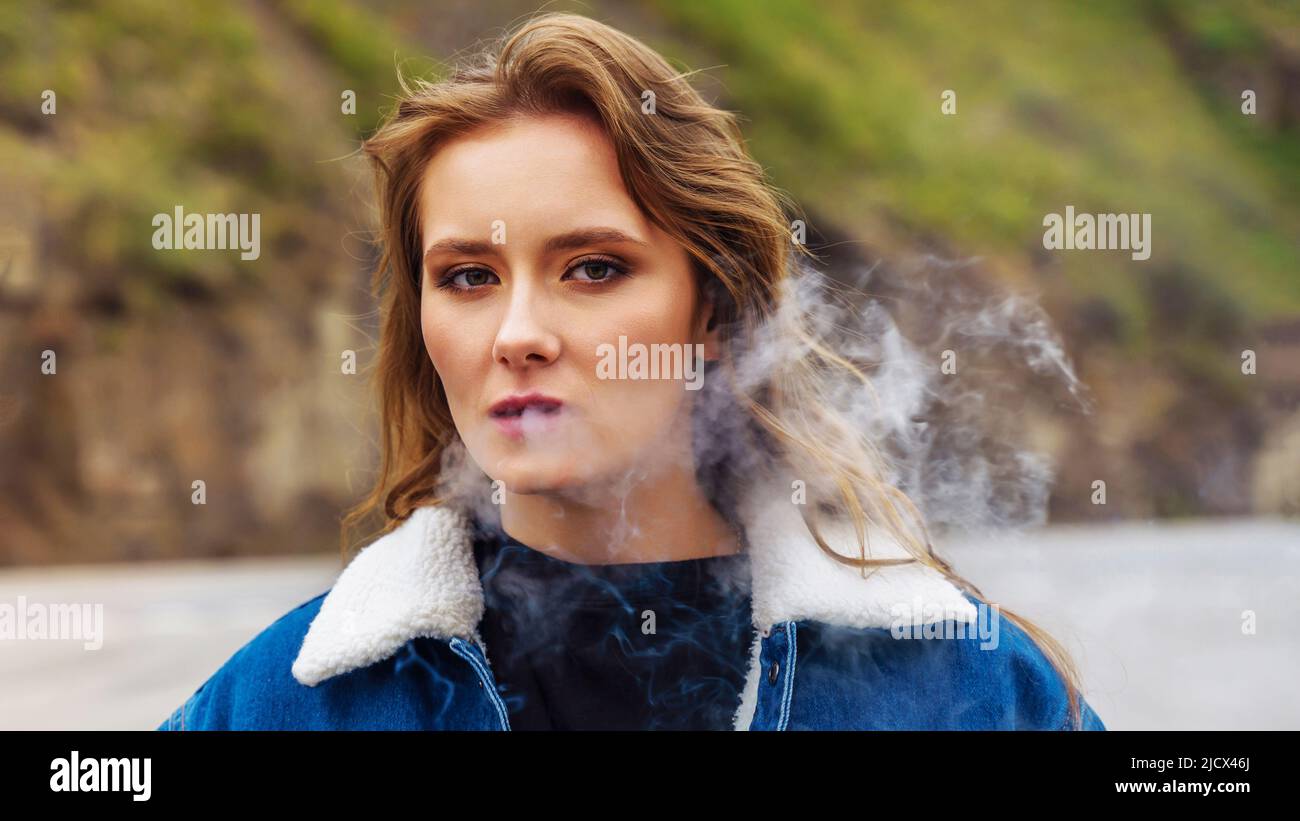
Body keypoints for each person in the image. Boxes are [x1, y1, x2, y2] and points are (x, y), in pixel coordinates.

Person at [158, 11, 1105, 731]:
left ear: (714, 310)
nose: (518, 333)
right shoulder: (292, 699)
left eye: (594, 268)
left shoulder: (962, 686)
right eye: (469, 277)